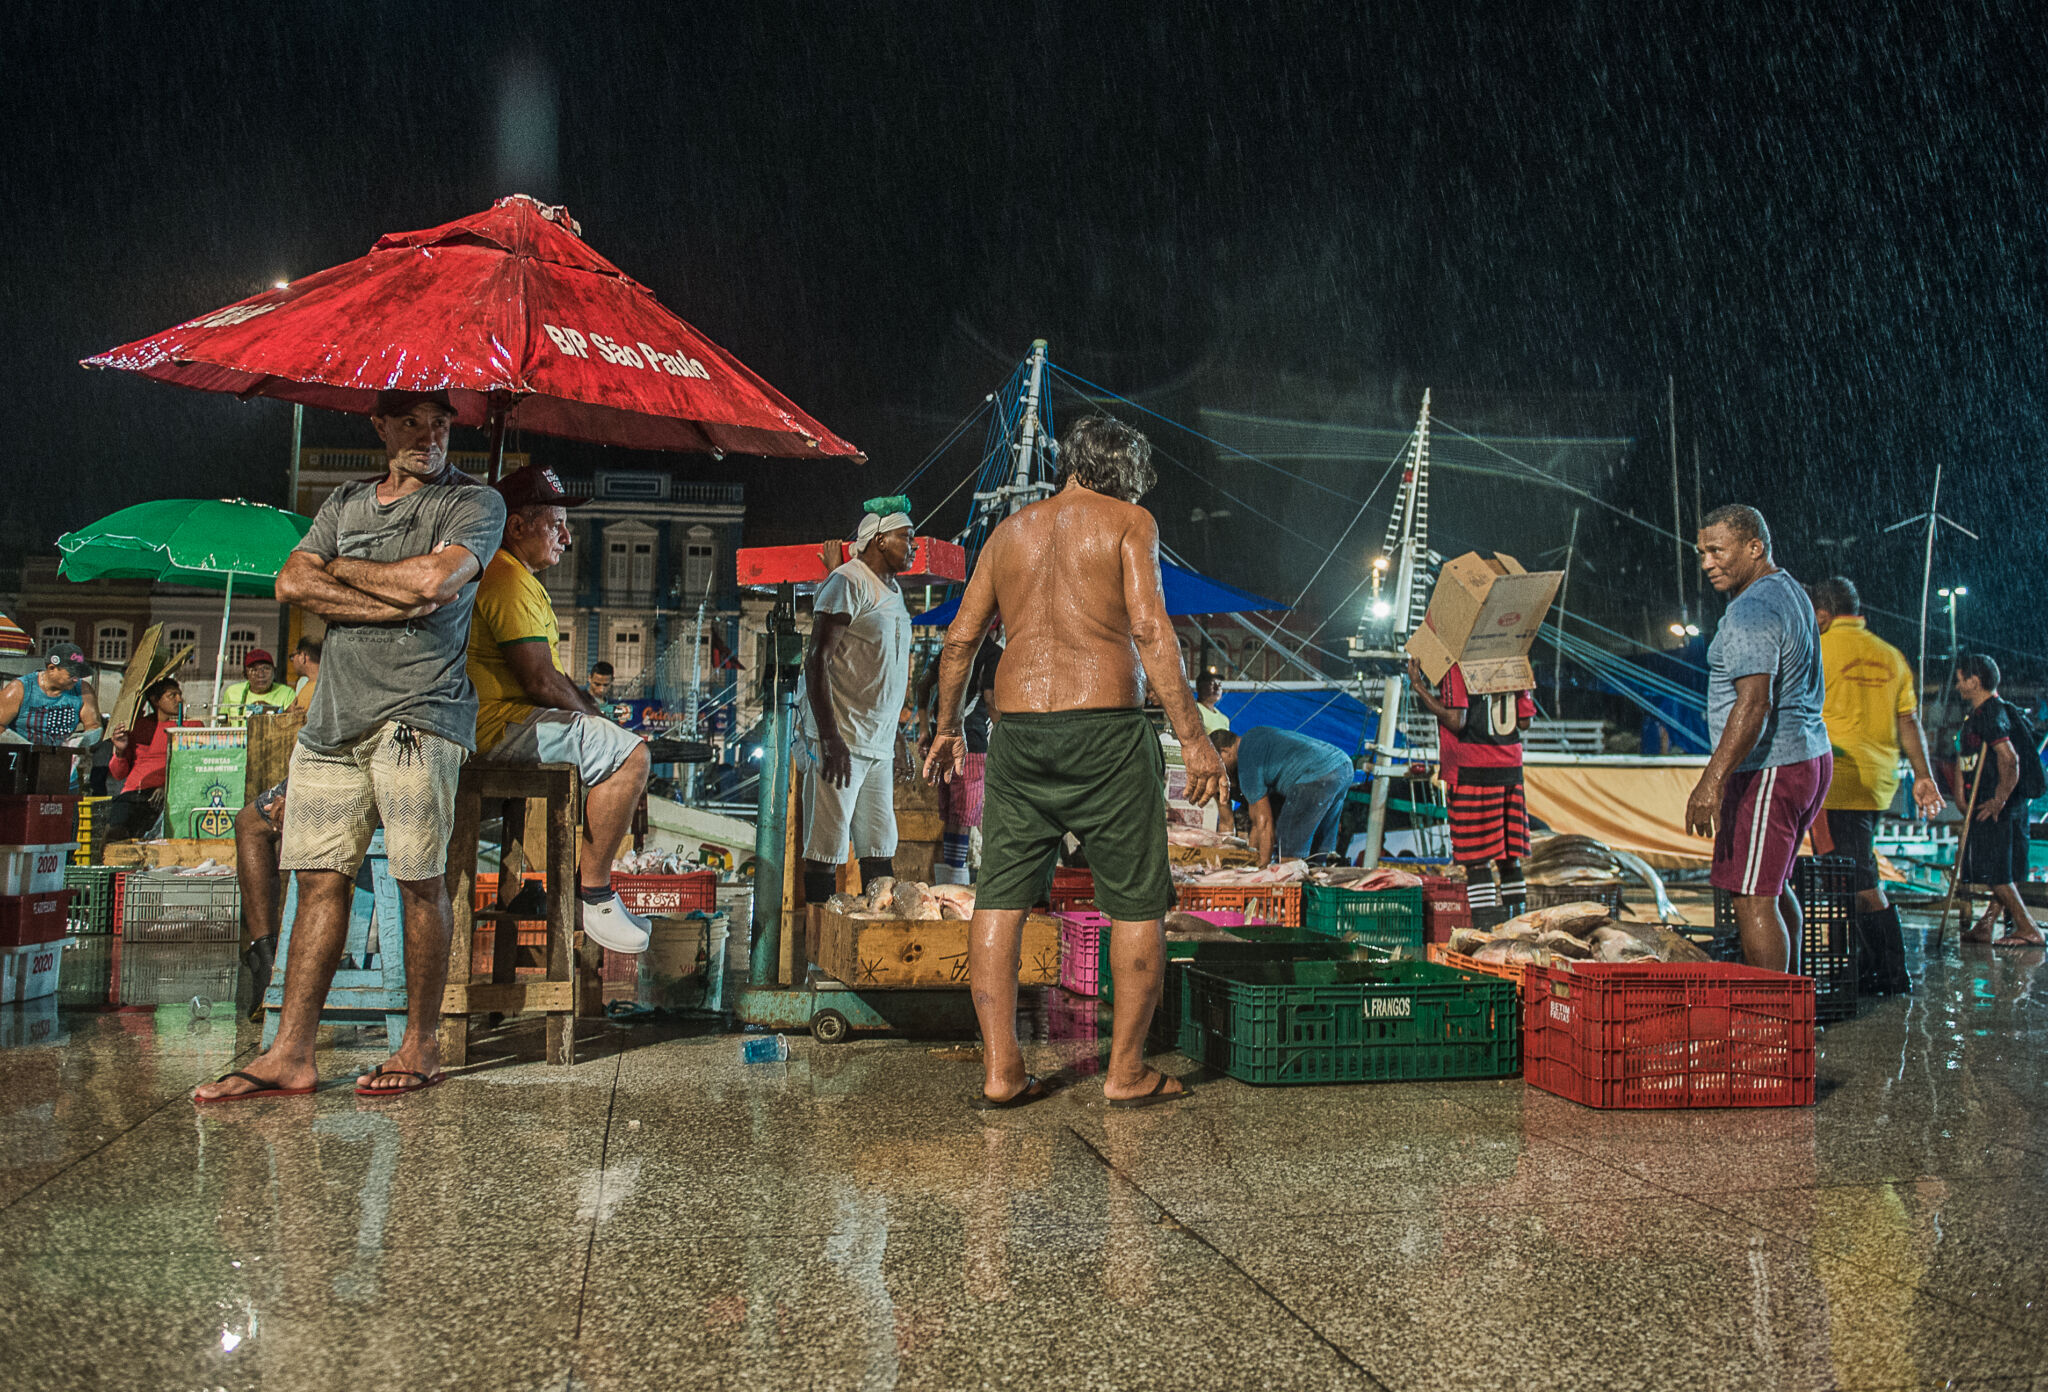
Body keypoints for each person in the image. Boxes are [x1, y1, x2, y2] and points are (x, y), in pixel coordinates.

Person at [195, 388, 505, 1103]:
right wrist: (393, 595)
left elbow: (435, 581)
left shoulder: (473, 504)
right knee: (317, 881)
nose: (428, 436)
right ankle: (290, 1053)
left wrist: (344, 574)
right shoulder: (344, 501)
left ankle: (421, 1044)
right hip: (332, 724)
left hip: (419, 719)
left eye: (440, 424)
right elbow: (290, 581)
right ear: (380, 427)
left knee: (418, 879)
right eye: (411, 423)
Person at [925, 416, 1225, 1110]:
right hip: (1106, 733)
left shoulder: (1007, 534)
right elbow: (1150, 630)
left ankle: (1002, 1071)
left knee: (1000, 895)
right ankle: (1124, 1074)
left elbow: (961, 640)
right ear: (1124, 471)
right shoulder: (1130, 522)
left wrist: (945, 727)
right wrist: (1195, 736)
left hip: (1020, 734)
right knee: (1135, 904)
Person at [467, 464, 653, 951]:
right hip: (496, 729)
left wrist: (592, 713)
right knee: (631, 755)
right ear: (518, 526)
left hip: (506, 722)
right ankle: (593, 895)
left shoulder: (517, 577)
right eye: (556, 523)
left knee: (613, 745)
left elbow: (553, 677)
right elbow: (540, 680)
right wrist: (599, 724)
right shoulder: (504, 578)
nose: (566, 537)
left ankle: (555, 887)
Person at [1684, 505, 1832, 972]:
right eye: (1701, 552)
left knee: (1751, 897)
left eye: (1717, 550)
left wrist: (1711, 781)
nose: (1707, 562)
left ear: (1755, 547)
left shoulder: (1751, 608)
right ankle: (1793, 1010)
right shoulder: (1790, 591)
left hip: (1772, 766)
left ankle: (1772, 1023)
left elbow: (1754, 705)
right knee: (1773, 885)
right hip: (1807, 756)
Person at [1809, 577, 1946, 992]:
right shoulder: (1890, 656)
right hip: (1877, 785)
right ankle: (1869, 967)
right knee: (1854, 872)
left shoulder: (1816, 650)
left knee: (1851, 879)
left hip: (1834, 783)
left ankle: (1885, 972)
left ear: (1822, 613)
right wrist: (1923, 775)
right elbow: (1908, 721)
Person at [795, 500, 917, 905]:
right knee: (825, 851)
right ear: (879, 540)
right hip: (841, 740)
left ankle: (870, 944)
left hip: (877, 744)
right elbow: (817, 660)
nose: (912, 544)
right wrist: (830, 739)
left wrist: (897, 739)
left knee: (879, 849)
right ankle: (815, 953)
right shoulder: (849, 580)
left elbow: (886, 674)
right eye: (906, 536)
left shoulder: (894, 591)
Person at [1409, 659, 1535, 925]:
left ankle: (1485, 931)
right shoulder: (1512, 660)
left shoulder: (1457, 665)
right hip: (1510, 768)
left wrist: (1419, 687)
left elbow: (1456, 720)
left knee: (1476, 859)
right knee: (1508, 858)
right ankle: (1519, 927)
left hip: (1473, 769)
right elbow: (1524, 721)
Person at [1952, 653, 2046, 948]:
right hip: (2015, 807)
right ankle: (1987, 923)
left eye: (1960, 680)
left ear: (1974, 681)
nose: (1957, 687)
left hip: (1996, 808)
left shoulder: (1987, 714)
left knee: (1996, 872)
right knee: (2008, 870)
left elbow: (2009, 759)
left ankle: (2028, 928)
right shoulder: (2005, 709)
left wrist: (1997, 800)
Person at [1209, 726, 1354, 865]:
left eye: (1214, 763)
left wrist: (1260, 868)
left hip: (1318, 774)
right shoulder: (1257, 736)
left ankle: (1289, 884)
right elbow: (1256, 824)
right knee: (1318, 852)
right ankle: (1317, 882)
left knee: (1288, 846)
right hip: (1343, 767)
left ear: (1225, 752)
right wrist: (1251, 856)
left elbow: (1264, 822)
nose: (1214, 770)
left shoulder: (1246, 759)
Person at [104, 677, 194, 841]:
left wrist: (166, 787)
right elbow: (118, 774)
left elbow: (191, 767)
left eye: (179, 694)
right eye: (172, 695)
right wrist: (119, 751)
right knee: (113, 835)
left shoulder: (191, 727)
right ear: (155, 700)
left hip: (167, 793)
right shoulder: (139, 727)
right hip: (133, 792)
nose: (179, 700)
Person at [1, 648, 101, 747]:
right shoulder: (19, 689)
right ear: (52, 668)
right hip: (21, 755)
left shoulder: (83, 691)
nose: (76, 679)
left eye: (78, 674)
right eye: (71, 674)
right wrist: (25, 747)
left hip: (61, 756)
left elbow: (94, 727)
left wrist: (77, 743)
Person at [218, 649, 295, 726]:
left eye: (266, 668)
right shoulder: (232, 692)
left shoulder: (287, 693)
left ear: (274, 671)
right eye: (254, 670)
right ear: (245, 674)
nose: (261, 675)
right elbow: (222, 726)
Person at [288, 636, 322, 712]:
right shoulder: (327, 685)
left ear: (302, 657)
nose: (292, 661)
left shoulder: (314, 689)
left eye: (293, 656)